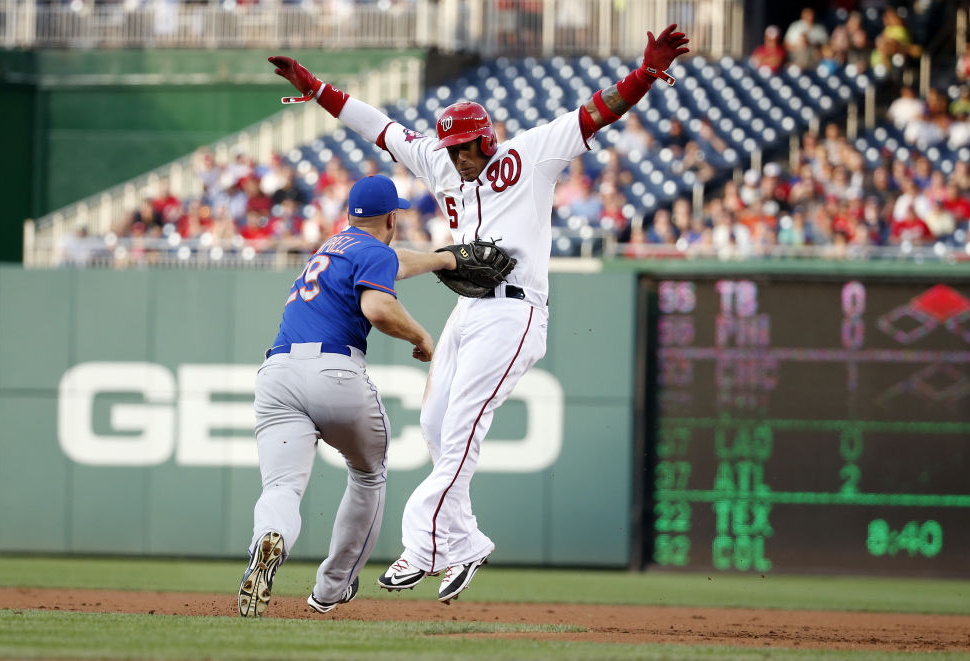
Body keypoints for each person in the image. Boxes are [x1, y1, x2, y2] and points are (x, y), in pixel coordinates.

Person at [267, 23, 689, 603]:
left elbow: (596, 112)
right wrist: (316, 88)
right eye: (451, 147)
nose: (456, 156)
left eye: (465, 146)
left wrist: (646, 73)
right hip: (467, 311)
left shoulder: (531, 155)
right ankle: (465, 544)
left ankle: (421, 545)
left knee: (464, 424)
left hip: (515, 313)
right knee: (439, 427)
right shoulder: (439, 164)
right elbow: (377, 127)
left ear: (486, 140)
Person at [237, 175, 436, 617]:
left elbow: (393, 261)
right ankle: (331, 588)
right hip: (335, 370)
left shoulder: (331, 246)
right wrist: (424, 337)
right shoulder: (376, 251)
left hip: (277, 372)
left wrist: (442, 260)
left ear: (349, 217)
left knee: (282, 486)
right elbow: (379, 307)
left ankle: (271, 536)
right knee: (369, 474)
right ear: (391, 218)